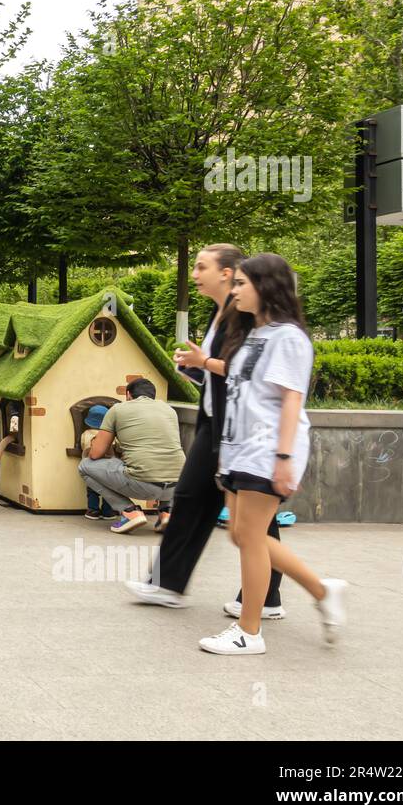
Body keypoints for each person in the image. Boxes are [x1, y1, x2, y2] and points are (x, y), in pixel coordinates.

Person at [196, 253, 347, 655]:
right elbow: (241, 380)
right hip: (242, 447)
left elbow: (291, 401)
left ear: (266, 287)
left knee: (249, 537)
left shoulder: (289, 338)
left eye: (243, 283)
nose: (236, 291)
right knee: (242, 534)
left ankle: (250, 630)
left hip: (267, 449)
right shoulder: (255, 334)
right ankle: (320, 589)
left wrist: (282, 458)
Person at [127, 244, 287, 618]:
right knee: (198, 500)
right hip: (214, 422)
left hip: (234, 427)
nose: (195, 274)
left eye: (202, 267)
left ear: (227, 273)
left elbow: (246, 369)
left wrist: (206, 361)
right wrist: (196, 367)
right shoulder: (221, 312)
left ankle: (269, 596)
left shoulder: (243, 314)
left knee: (245, 513)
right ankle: (169, 584)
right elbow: (222, 369)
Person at [78, 378, 185, 534]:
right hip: (178, 485)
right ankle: (166, 512)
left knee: (85, 466)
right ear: (152, 396)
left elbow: (96, 454)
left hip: (143, 484)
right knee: (166, 461)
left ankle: (129, 511)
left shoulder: (117, 410)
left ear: (128, 395)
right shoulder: (169, 410)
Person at [79, 404, 119, 521]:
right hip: (108, 468)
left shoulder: (85, 434)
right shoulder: (110, 435)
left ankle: (93, 510)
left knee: (92, 490)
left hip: (91, 466)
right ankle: (108, 512)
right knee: (109, 490)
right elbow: (118, 446)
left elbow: (82, 446)